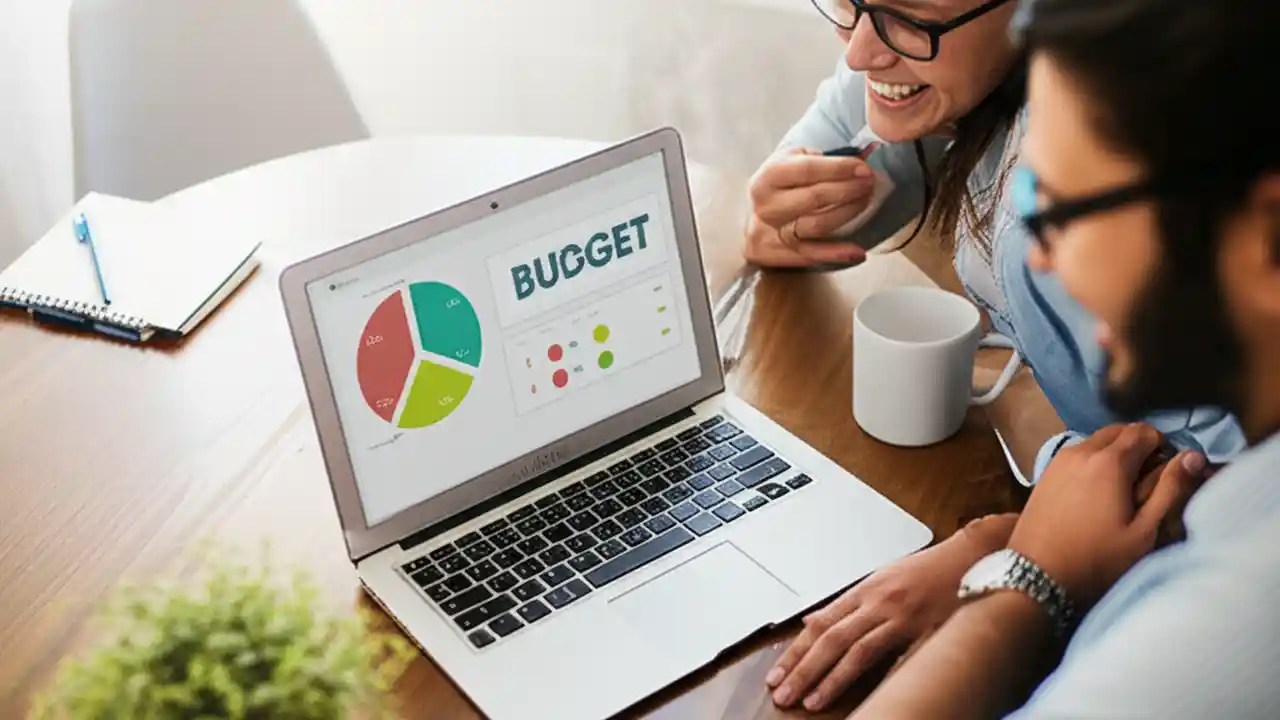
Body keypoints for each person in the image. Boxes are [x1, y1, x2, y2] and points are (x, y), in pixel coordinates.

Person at [752, 1, 1249, 710]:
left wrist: (1016, 558)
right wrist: (782, 205)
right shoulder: (947, 51)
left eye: (907, 18)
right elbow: (817, 166)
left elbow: (1221, 488)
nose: (860, 51)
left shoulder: (1094, 190)